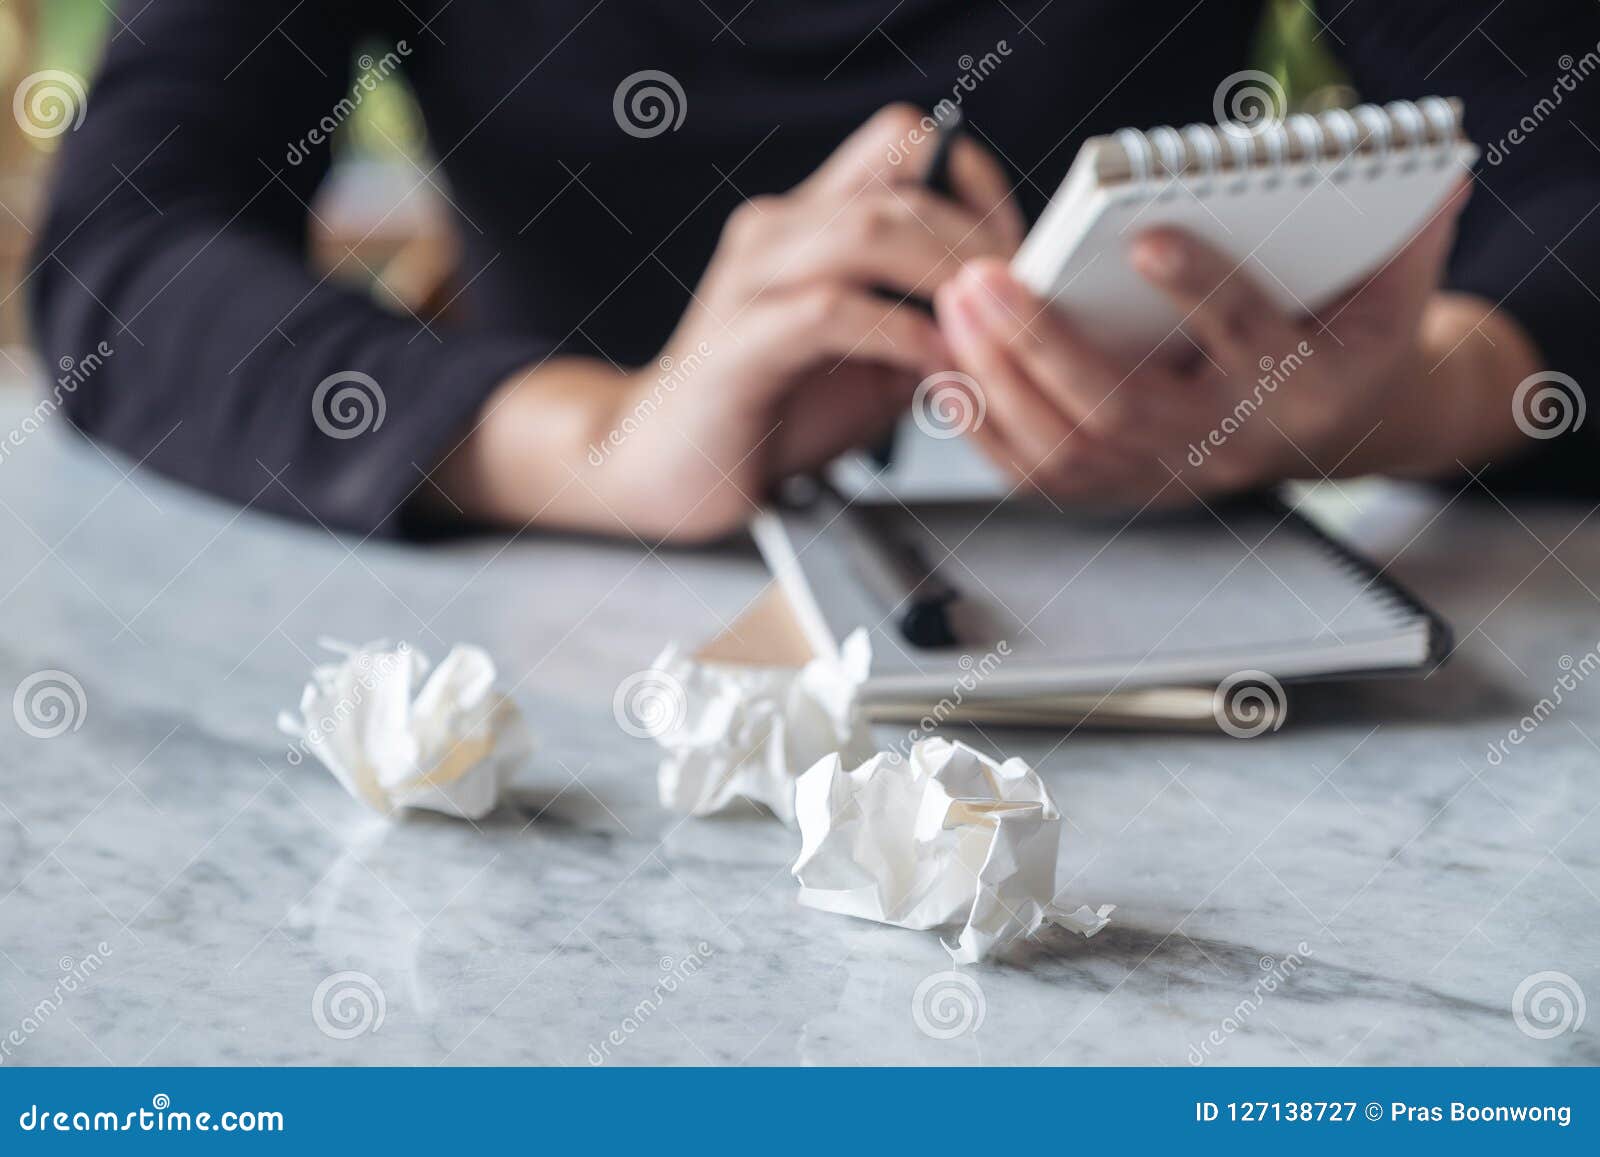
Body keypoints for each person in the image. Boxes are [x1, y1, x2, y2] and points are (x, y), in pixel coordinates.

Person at [28, 1, 1600, 541]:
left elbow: (1571, 166)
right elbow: (126, 247)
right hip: (567, 635)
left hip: (1166, 631)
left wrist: (1390, 402)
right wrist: (600, 443)